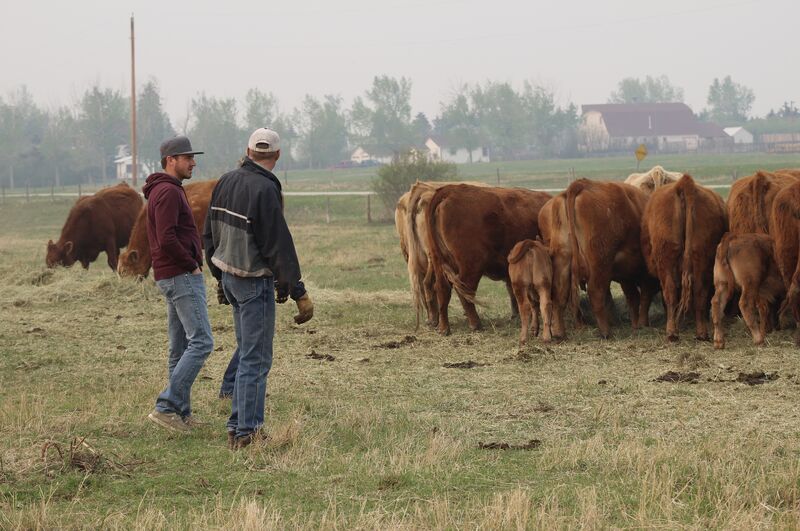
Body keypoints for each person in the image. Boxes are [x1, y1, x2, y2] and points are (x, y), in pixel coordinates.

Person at [204, 128, 313, 449]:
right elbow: (277, 244)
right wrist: (297, 291)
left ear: (248, 151)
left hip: (230, 277)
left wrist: (218, 276)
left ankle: (237, 426)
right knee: (256, 360)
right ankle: (247, 432)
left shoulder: (226, 181)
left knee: (247, 354)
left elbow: (209, 233)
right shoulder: (266, 189)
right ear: (277, 155)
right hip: (253, 281)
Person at [145, 135, 214, 434]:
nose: (193, 163)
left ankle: (180, 413)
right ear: (170, 160)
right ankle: (166, 406)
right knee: (202, 342)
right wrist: (191, 264)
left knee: (180, 347)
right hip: (181, 275)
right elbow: (167, 238)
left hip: (171, 275)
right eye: (188, 158)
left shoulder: (164, 190)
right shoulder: (169, 192)